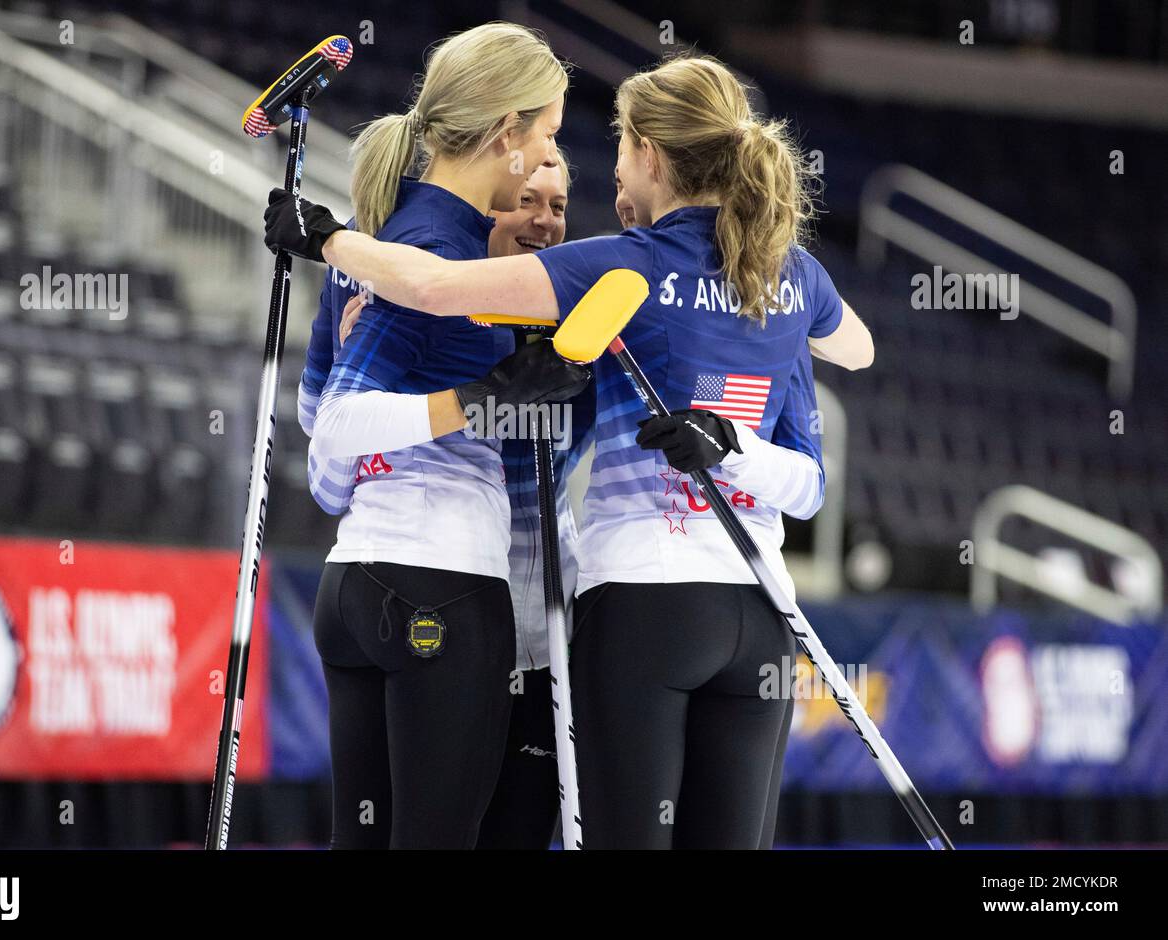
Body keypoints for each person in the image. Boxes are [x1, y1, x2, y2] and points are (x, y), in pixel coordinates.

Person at [266, 53, 874, 848]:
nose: (591, 187)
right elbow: (856, 352)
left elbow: (437, 287)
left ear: (650, 156)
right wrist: (738, 408)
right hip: (755, 612)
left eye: (616, 147)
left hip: (639, 607)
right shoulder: (785, 275)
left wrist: (332, 242)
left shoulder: (622, 266)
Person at [273, 22, 586, 850]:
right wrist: (477, 398)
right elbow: (336, 427)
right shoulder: (435, 247)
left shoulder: (395, 243)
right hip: (440, 588)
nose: (548, 152)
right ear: (506, 133)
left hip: (361, 588)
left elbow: (323, 413)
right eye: (547, 134)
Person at [334, 156, 591, 849]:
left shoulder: (576, 332)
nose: (544, 219)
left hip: (536, 646)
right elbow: (333, 462)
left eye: (559, 205)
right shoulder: (429, 320)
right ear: (488, 207)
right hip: (447, 600)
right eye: (527, 200)